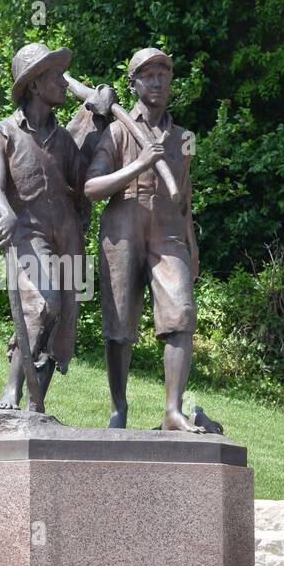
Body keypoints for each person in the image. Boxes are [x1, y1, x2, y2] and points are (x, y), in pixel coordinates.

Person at [83, 47, 202, 432]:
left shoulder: (185, 138)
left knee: (181, 313)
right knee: (119, 323)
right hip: (123, 226)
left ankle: (173, 411)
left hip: (168, 229)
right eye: (148, 75)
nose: (157, 82)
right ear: (133, 83)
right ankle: (119, 407)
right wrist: (139, 164)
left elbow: (185, 195)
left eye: (163, 75)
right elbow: (91, 188)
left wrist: (191, 244)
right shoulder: (118, 130)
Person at [0, 42, 88, 412]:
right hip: (27, 230)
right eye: (55, 77)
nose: (62, 83)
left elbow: (84, 182)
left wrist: (99, 114)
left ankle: (36, 401)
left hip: (67, 233)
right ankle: (12, 388)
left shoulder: (63, 139)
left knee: (64, 315)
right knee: (44, 303)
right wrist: (3, 211)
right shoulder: (3, 132)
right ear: (36, 86)